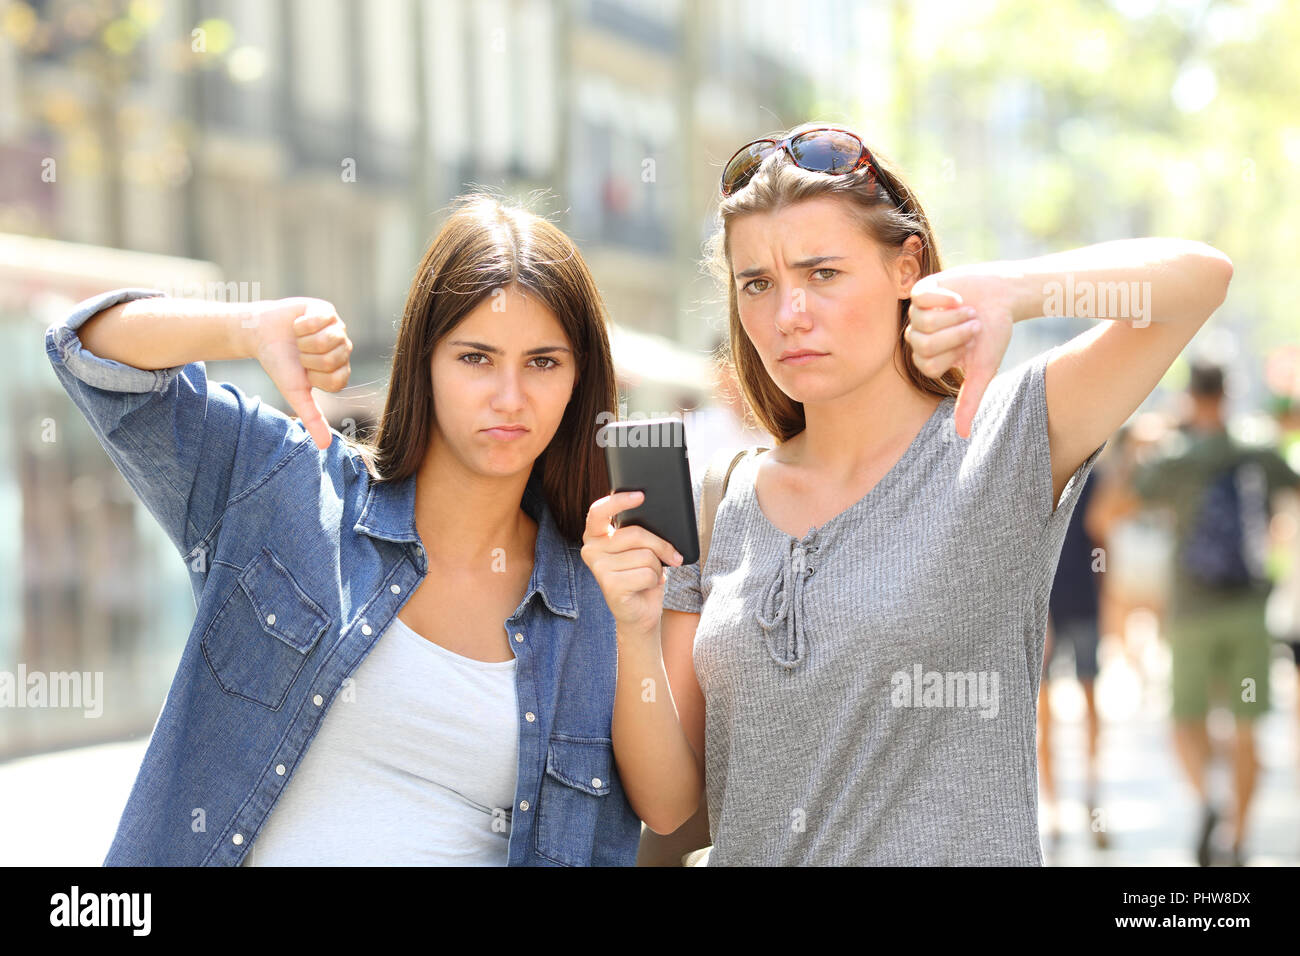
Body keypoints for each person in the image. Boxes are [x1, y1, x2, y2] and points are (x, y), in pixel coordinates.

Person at [579, 122, 1235, 864]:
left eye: (822, 273)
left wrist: (1011, 291)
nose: (787, 314)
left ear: (907, 267)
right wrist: (632, 631)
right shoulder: (717, 499)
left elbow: (1199, 279)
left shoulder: (1001, 440)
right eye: (757, 284)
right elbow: (671, 808)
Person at [43, 193, 656, 866]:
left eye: (543, 362)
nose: (509, 396)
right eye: (475, 357)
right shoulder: (286, 484)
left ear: (579, 380)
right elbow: (88, 356)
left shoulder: (593, 588)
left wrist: (638, 625)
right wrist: (248, 328)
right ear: (423, 360)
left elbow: (667, 806)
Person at [1126, 362, 1300, 865]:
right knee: (1248, 726)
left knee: (1184, 720)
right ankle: (1240, 840)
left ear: (1190, 397)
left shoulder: (1177, 457)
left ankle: (1208, 799)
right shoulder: (1258, 452)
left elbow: (1126, 497)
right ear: (1228, 394)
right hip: (1248, 610)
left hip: (1190, 613)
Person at [1037, 472, 1108, 851]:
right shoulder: (1026, 471)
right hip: (1044, 610)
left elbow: (1102, 541)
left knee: (1089, 707)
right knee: (1044, 714)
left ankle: (1092, 800)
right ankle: (1053, 809)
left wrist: (1107, 601)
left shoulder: (1093, 476)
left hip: (1082, 605)